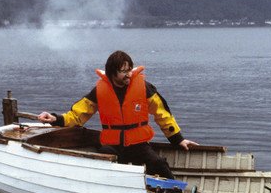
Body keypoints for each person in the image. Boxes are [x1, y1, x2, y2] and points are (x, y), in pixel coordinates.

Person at [37, 50, 198, 179]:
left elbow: (162, 114)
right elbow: (78, 115)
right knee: (99, 161)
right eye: (123, 71)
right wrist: (55, 118)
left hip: (139, 145)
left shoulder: (144, 88)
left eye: (129, 70)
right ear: (112, 73)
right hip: (113, 146)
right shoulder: (99, 91)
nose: (128, 74)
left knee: (159, 164)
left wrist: (178, 140)